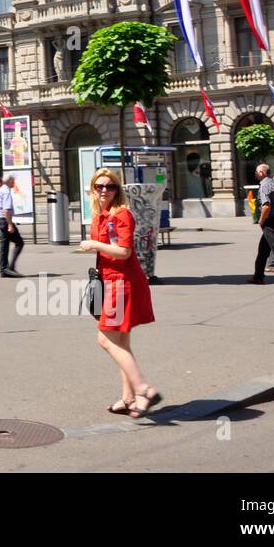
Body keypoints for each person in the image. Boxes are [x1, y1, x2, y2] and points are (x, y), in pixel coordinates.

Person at [78, 168, 160, 419]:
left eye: (110, 186)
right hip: (112, 280)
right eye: (100, 186)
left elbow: (123, 251)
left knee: (105, 340)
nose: (105, 190)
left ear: (118, 190)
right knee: (122, 342)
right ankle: (128, 398)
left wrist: (93, 244)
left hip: (121, 283)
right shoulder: (100, 216)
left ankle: (143, 389)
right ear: (93, 189)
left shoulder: (121, 214)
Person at [0, 174, 24, 277]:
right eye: (13, 181)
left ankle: (3, 269)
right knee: (19, 242)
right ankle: (10, 267)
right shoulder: (6, 192)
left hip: (0, 220)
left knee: (4, 245)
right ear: (9, 181)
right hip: (5, 221)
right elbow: (6, 210)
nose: (14, 183)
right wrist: (10, 225)